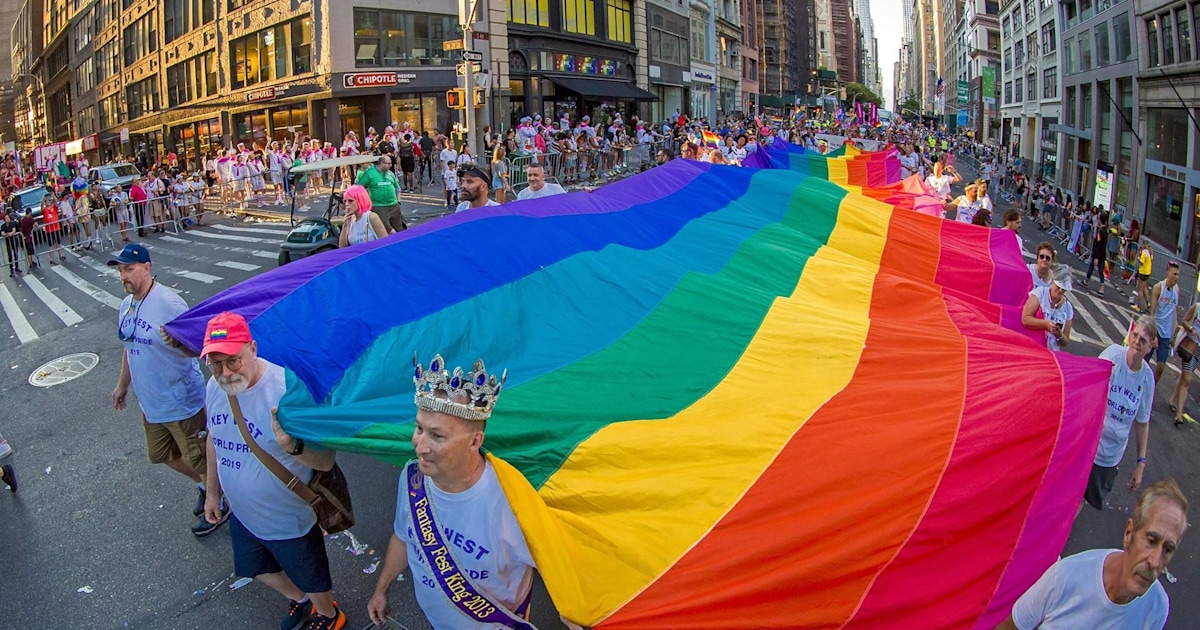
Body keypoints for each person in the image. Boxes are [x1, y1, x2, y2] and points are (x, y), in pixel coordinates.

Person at [366, 354, 582, 630]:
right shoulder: (413, 479)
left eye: (437, 436)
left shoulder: (514, 503)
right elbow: (404, 536)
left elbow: (570, 584)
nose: (419, 446)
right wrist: (381, 589)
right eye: (419, 428)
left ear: (474, 441)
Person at [198, 312, 347, 630]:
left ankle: (328, 615)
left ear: (252, 348)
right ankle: (300, 599)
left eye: (233, 361)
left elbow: (325, 461)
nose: (225, 373)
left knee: (312, 576)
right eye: (216, 363)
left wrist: (292, 445)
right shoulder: (215, 386)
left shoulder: (285, 391)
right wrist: (212, 493)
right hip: (242, 513)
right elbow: (213, 438)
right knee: (255, 568)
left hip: (288, 519)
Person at [108, 243, 223, 536]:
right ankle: (206, 488)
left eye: (129, 269)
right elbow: (128, 345)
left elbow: (199, 348)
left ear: (147, 268)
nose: (124, 276)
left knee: (200, 458)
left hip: (181, 401)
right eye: (121, 271)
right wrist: (122, 385)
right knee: (162, 454)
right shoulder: (126, 305)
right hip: (151, 403)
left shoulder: (170, 304)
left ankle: (219, 504)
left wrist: (179, 345)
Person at [998, 479, 1187, 630]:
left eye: (1167, 549)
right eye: (1151, 541)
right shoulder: (1065, 577)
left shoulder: (1157, 608)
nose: (1155, 562)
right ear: (1129, 534)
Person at [1082, 315, 1156, 515]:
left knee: (1084, 498)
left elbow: (1142, 422)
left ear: (1150, 346)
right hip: (1088, 443)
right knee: (1070, 495)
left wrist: (1141, 463)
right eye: (1135, 335)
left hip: (1108, 456)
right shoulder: (1114, 355)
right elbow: (1088, 384)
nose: (1137, 342)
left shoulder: (1147, 379)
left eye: (1143, 340)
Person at [1021, 271, 1073, 351]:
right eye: (1058, 286)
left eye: (1063, 289)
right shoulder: (1040, 293)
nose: (1060, 291)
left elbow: (1065, 341)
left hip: (1051, 351)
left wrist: (1059, 335)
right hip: (1032, 345)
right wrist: (1045, 324)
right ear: (1052, 282)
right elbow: (1025, 318)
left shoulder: (1068, 307)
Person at [1148, 261, 1180, 384]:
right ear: (1168, 273)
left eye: (1178, 275)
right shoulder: (1158, 288)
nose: (1176, 277)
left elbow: (1174, 312)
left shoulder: (1177, 290)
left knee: (1161, 366)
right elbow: (1152, 312)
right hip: (1156, 330)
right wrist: (1154, 334)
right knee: (1144, 361)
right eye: (1174, 274)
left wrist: (1174, 334)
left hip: (1166, 334)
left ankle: (1152, 386)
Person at [355, 155, 405, 234]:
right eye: (388, 163)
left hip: (394, 205)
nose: (390, 165)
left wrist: (398, 201)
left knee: (399, 228)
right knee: (386, 229)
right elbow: (358, 187)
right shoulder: (369, 174)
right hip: (379, 206)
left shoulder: (390, 173)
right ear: (381, 163)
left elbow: (397, 188)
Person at [1169, 300, 1199, 426]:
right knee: (1187, 379)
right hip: (1189, 347)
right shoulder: (1197, 307)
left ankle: (1172, 400)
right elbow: (1185, 321)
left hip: (1198, 352)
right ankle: (1179, 414)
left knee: (1184, 376)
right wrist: (1192, 329)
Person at [1131, 240, 1153, 312]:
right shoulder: (1150, 252)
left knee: (1140, 289)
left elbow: (1142, 262)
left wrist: (1138, 258)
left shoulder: (1144, 252)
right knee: (1144, 288)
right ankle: (1148, 303)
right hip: (1148, 272)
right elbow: (1151, 260)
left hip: (1143, 272)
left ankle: (1138, 306)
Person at [2, 211, 21, 277]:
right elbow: (2, 233)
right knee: (10, 255)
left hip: (14, 240)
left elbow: (14, 230)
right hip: (8, 242)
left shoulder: (12, 223)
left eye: (8, 218)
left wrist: (10, 233)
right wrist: (6, 234)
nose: (7, 219)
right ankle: (11, 269)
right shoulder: (3, 226)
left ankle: (17, 267)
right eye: (6, 218)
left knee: (16, 254)